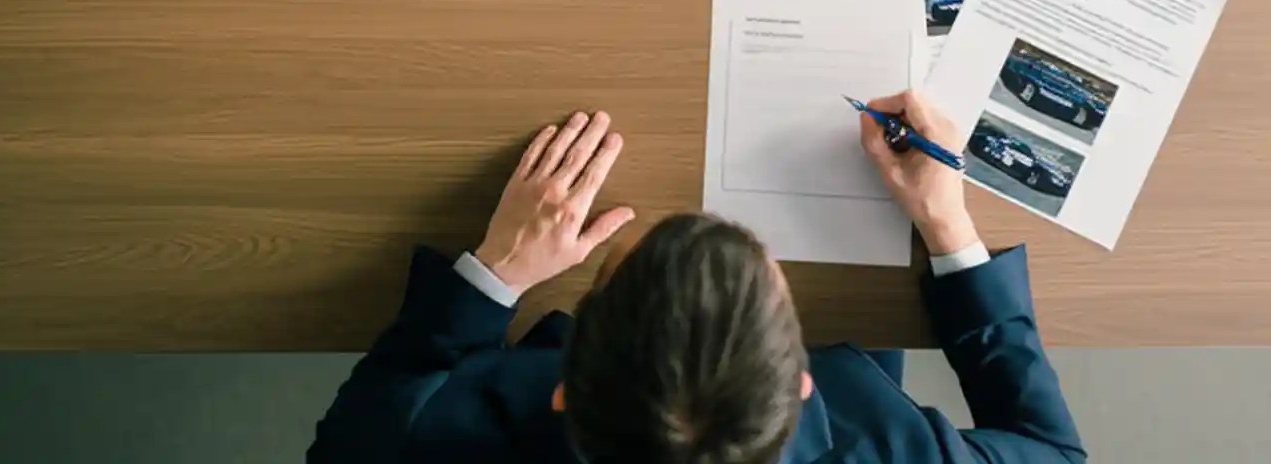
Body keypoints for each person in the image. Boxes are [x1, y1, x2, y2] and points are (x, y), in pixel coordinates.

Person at [308, 91, 1085, 463]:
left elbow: (349, 446)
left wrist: (494, 275)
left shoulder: (456, 441)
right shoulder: (883, 449)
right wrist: (948, 228)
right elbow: (1052, 452)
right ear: (804, 384)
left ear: (565, 391)